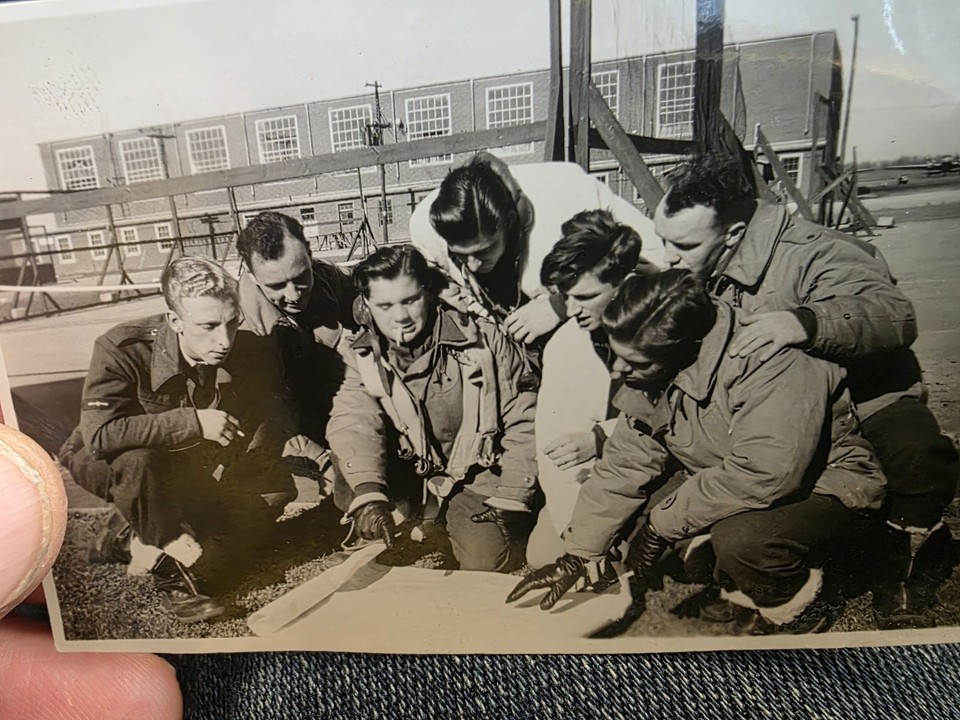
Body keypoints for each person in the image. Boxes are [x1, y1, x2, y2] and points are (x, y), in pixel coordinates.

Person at [652, 151, 959, 629]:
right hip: (784, 406)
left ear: (733, 234)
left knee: (913, 455)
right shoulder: (700, 257)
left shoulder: (816, 251)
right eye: (662, 241)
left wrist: (805, 322)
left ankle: (905, 556)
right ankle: (770, 560)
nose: (667, 257)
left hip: (863, 394)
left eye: (682, 245)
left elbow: (894, 314)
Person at [508, 271, 887, 635]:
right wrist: (580, 552)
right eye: (615, 355)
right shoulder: (658, 357)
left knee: (742, 543)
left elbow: (766, 472)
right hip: (728, 476)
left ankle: (797, 606)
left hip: (828, 485)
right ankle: (737, 580)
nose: (620, 371)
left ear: (685, 350)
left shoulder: (772, 363)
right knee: (632, 531)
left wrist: (661, 524)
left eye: (636, 363)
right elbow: (627, 462)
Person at [58, 257, 295, 624]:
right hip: (105, 460)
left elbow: (263, 421)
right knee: (141, 462)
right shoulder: (122, 347)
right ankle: (175, 577)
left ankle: (124, 533)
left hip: (182, 465)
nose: (225, 340)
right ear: (175, 321)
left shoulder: (243, 350)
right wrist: (193, 423)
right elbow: (101, 436)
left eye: (233, 323)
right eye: (209, 326)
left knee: (274, 491)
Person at [326, 245, 538, 572]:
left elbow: (525, 416)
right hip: (408, 471)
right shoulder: (361, 354)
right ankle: (385, 517)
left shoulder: (483, 340)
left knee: (486, 562)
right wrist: (368, 493)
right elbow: (353, 419)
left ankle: (445, 519)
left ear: (428, 293)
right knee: (349, 449)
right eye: (385, 305)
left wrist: (513, 492)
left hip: (474, 472)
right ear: (365, 306)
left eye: (410, 300)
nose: (401, 317)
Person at [0, 422, 183, 719]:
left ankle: (128, 541)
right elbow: (108, 433)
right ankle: (139, 544)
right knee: (144, 464)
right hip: (102, 455)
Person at [408, 152, 662, 351]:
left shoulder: (567, 195)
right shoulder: (423, 226)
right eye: (461, 254)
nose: (473, 265)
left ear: (509, 221)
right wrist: (444, 288)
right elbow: (433, 271)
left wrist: (558, 304)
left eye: (484, 250)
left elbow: (653, 256)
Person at [526, 209, 652, 566]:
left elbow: (680, 426)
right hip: (599, 482)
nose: (571, 310)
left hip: (659, 475)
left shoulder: (665, 326)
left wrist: (602, 437)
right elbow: (554, 449)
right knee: (544, 555)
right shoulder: (568, 344)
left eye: (585, 296)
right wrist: (572, 527)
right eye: (567, 297)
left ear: (625, 284)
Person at [237, 211, 358, 465]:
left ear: (309, 253)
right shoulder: (239, 328)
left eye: (301, 277)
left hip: (345, 412)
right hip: (292, 439)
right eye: (277, 285)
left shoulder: (332, 279)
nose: (293, 295)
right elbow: (262, 419)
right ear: (250, 274)